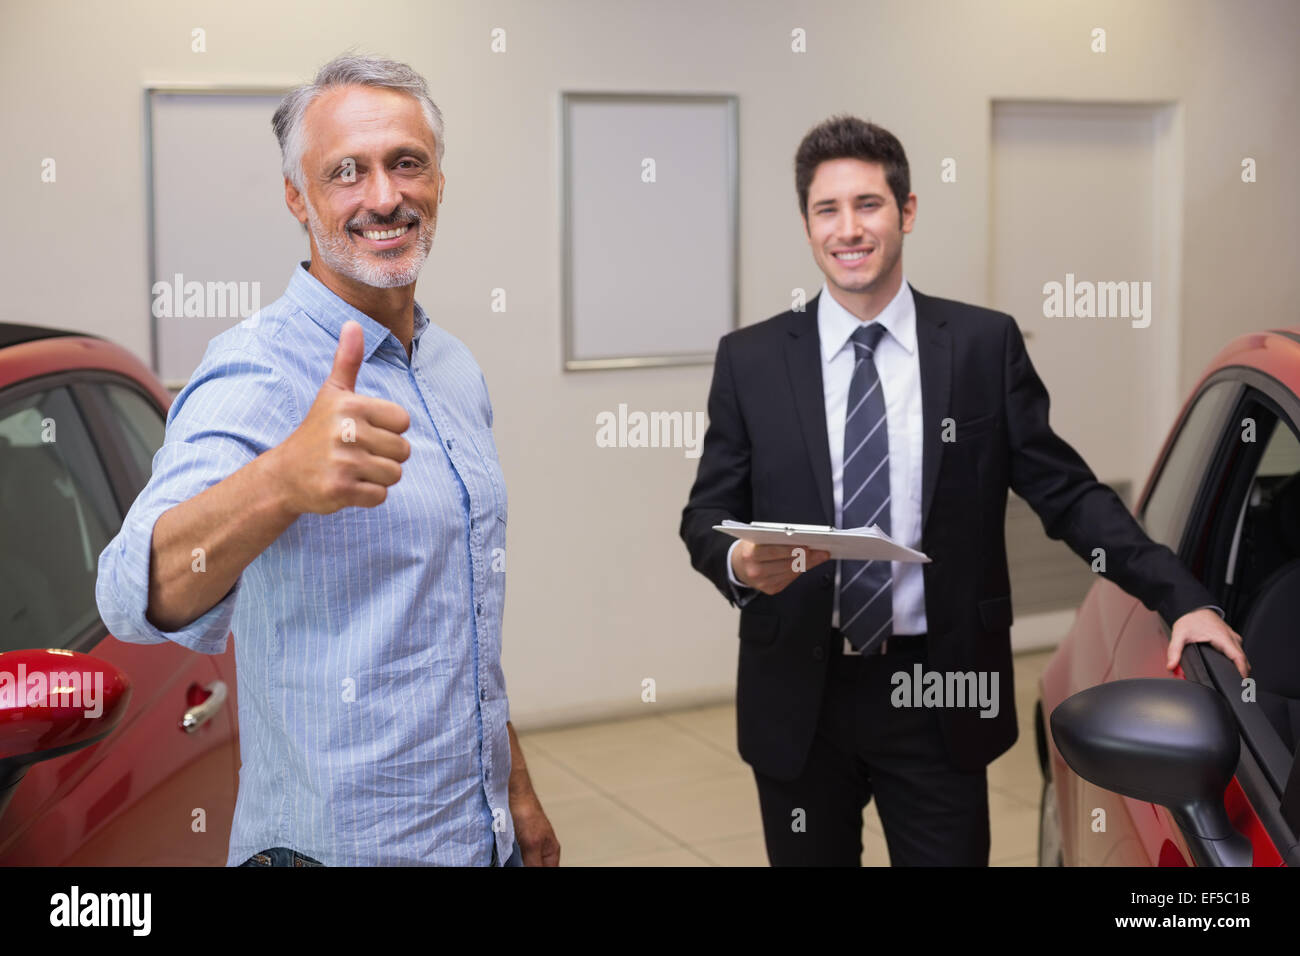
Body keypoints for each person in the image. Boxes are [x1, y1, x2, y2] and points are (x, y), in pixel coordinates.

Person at [679, 115, 1249, 866]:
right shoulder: (750, 360)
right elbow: (705, 516)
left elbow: (1069, 494)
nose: (849, 229)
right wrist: (740, 562)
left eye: (869, 205)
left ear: (907, 211)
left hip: (939, 690)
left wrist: (1184, 598)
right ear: (808, 223)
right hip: (800, 694)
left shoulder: (982, 346)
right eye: (828, 209)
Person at [95, 52, 559, 867]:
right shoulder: (258, 369)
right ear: (296, 198)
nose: (384, 197)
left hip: (477, 837)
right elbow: (132, 592)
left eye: (405, 163)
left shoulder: (450, 365)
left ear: (439, 182)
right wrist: (281, 480)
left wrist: (513, 788)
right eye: (347, 172)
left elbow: (461, 617)